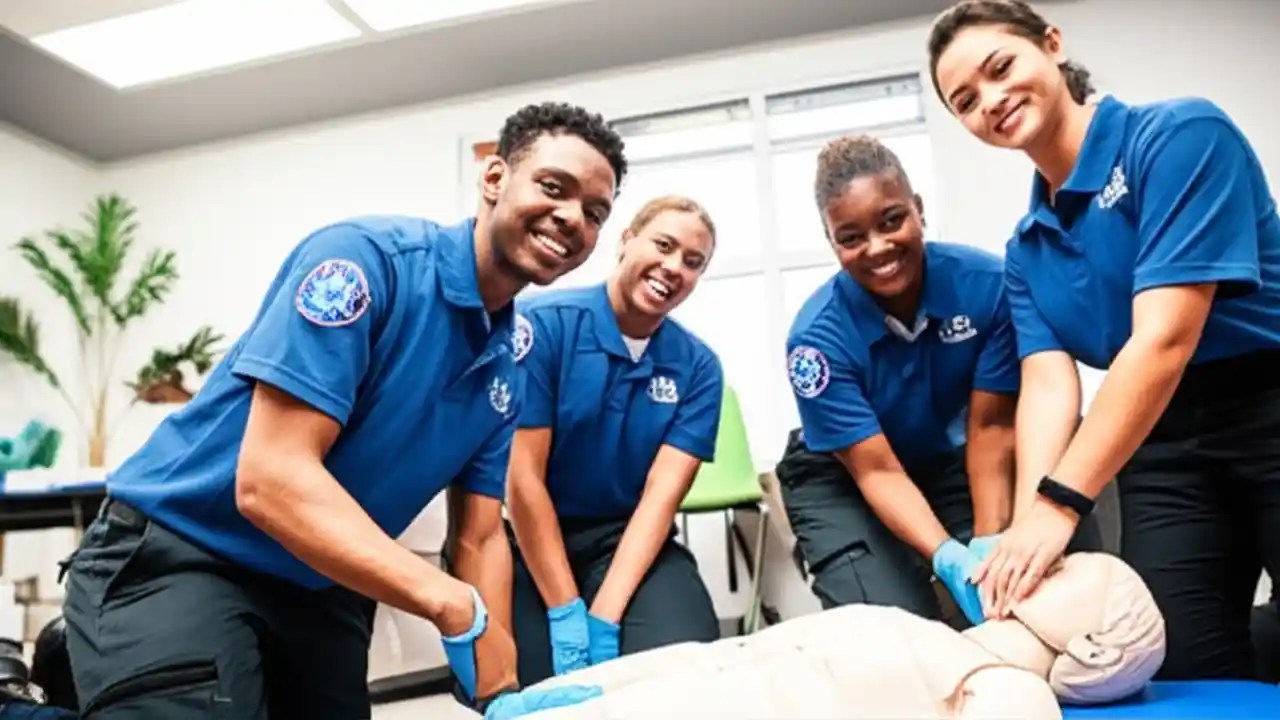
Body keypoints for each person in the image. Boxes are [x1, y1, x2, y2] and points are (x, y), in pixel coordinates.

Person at [57, 101, 627, 719]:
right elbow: (270, 482)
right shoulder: (363, 264)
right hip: (187, 551)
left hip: (320, 583)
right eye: (553, 187)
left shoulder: (511, 355)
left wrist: (501, 691)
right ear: (494, 178)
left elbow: (480, 533)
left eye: (595, 212)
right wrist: (450, 603)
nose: (572, 217)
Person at [928, 0, 1280, 679]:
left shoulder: (1179, 136)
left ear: (1052, 45)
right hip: (1163, 439)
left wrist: (1061, 504)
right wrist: (1032, 527)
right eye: (965, 101)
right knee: (1170, 658)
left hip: (1268, 397)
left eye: (1001, 68)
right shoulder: (1026, 249)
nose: (991, 101)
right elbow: (1047, 386)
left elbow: (1164, 341)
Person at [777, 134, 1101, 628]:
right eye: (850, 237)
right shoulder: (816, 341)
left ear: (918, 210)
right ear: (831, 241)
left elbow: (991, 428)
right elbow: (876, 471)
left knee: (1037, 579)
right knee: (897, 631)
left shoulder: (986, 286)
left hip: (945, 455)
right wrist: (949, 557)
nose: (878, 248)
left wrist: (989, 544)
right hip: (846, 473)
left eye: (892, 221)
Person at [505, 195, 724, 687]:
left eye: (693, 263)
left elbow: (659, 501)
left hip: (624, 538)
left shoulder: (698, 367)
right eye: (663, 246)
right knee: (532, 687)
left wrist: (603, 619)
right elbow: (521, 480)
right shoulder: (542, 327)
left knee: (686, 672)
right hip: (528, 537)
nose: (673, 268)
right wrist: (566, 613)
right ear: (627, 240)